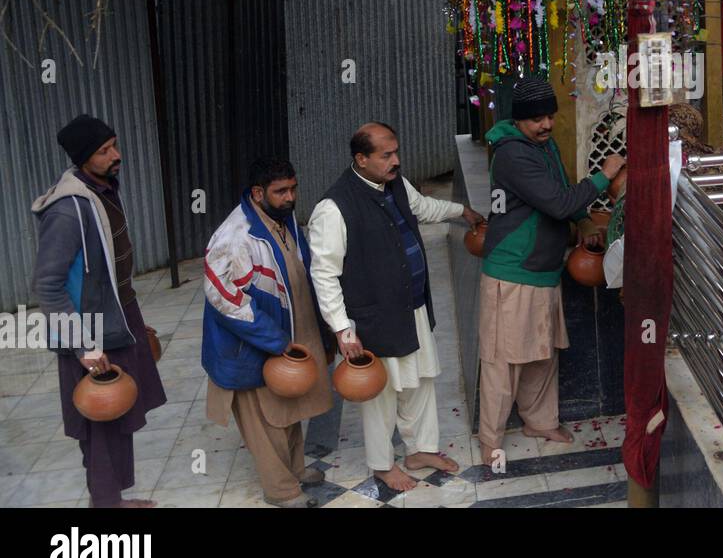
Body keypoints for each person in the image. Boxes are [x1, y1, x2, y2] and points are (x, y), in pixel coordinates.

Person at [307, 123, 485, 493]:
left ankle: (420, 451)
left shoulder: (397, 184)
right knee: (381, 394)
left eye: (396, 152)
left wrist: (461, 211)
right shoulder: (333, 207)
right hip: (374, 318)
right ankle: (382, 465)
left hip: (412, 306)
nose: (396, 160)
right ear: (361, 159)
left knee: (420, 380)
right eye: (386, 155)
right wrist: (343, 329)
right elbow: (324, 274)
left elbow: (423, 207)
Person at [477, 77, 624, 466]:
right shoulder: (512, 154)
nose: (546, 125)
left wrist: (587, 222)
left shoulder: (542, 145)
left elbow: (559, 189)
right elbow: (557, 203)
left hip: (543, 269)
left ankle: (538, 422)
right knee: (502, 362)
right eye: (537, 119)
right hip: (512, 271)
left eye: (550, 116)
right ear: (520, 119)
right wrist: (603, 176)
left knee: (541, 354)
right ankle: (489, 439)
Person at [31, 115, 166, 508]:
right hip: (88, 333)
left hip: (115, 320)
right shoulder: (68, 211)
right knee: (102, 421)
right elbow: (47, 284)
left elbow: (107, 270)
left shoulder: (103, 189)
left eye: (115, 146)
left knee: (120, 413)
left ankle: (112, 500)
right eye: (104, 151)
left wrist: (131, 320)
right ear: (83, 157)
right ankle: (106, 506)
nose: (116, 155)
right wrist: (82, 346)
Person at [202, 157, 335, 507]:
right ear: (258, 193)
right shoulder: (233, 237)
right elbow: (224, 300)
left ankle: (295, 469)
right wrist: (276, 342)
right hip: (251, 346)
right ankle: (281, 491)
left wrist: (322, 333)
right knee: (266, 423)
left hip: (289, 334)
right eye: (280, 192)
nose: (290, 197)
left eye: (293, 189)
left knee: (289, 408)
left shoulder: (284, 217)